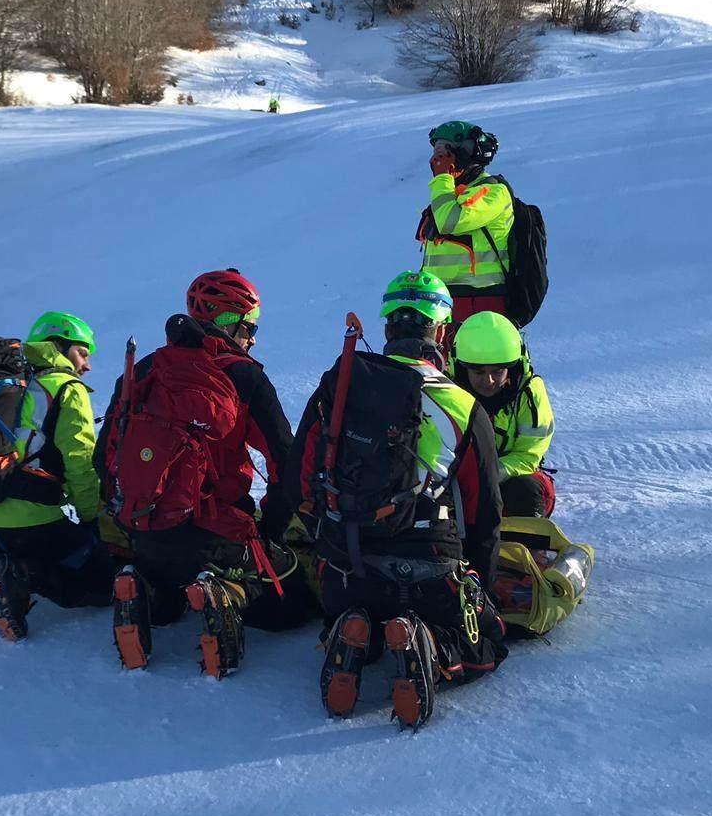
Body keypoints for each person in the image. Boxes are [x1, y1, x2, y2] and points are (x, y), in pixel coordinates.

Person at [288, 270, 508, 729]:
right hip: (430, 569)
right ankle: (430, 640)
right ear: (442, 332)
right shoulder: (463, 405)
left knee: (355, 608)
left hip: (348, 566)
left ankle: (353, 634)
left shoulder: (342, 383)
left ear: (387, 329)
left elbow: (299, 472)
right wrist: (479, 586)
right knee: (486, 641)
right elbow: (485, 513)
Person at [96, 268, 307, 678]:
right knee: (293, 604)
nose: (253, 338)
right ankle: (224, 591)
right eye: (250, 326)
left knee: (166, 586)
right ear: (230, 322)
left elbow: (104, 456)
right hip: (218, 533)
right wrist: (273, 529)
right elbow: (288, 463)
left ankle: (144, 587)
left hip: (144, 528)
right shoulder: (244, 376)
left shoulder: (142, 371)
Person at [0, 311, 115, 642]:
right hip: (30, 524)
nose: (87, 365)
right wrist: (92, 516)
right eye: (83, 352)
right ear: (59, 346)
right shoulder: (66, 388)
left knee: (14, 537)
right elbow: (79, 463)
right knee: (104, 583)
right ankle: (20, 575)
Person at [452, 311, 557, 518]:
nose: (489, 381)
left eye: (497, 372)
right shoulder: (450, 393)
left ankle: (532, 547)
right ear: (463, 368)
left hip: (515, 476)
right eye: (479, 372)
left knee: (526, 491)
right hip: (464, 477)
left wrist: (493, 472)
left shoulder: (529, 392)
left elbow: (529, 454)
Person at [415, 120, 513, 329]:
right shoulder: (450, 193)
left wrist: (442, 178)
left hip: (480, 301)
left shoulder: (492, 190)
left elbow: (450, 223)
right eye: (437, 152)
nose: (437, 159)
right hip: (440, 301)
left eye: (444, 152)